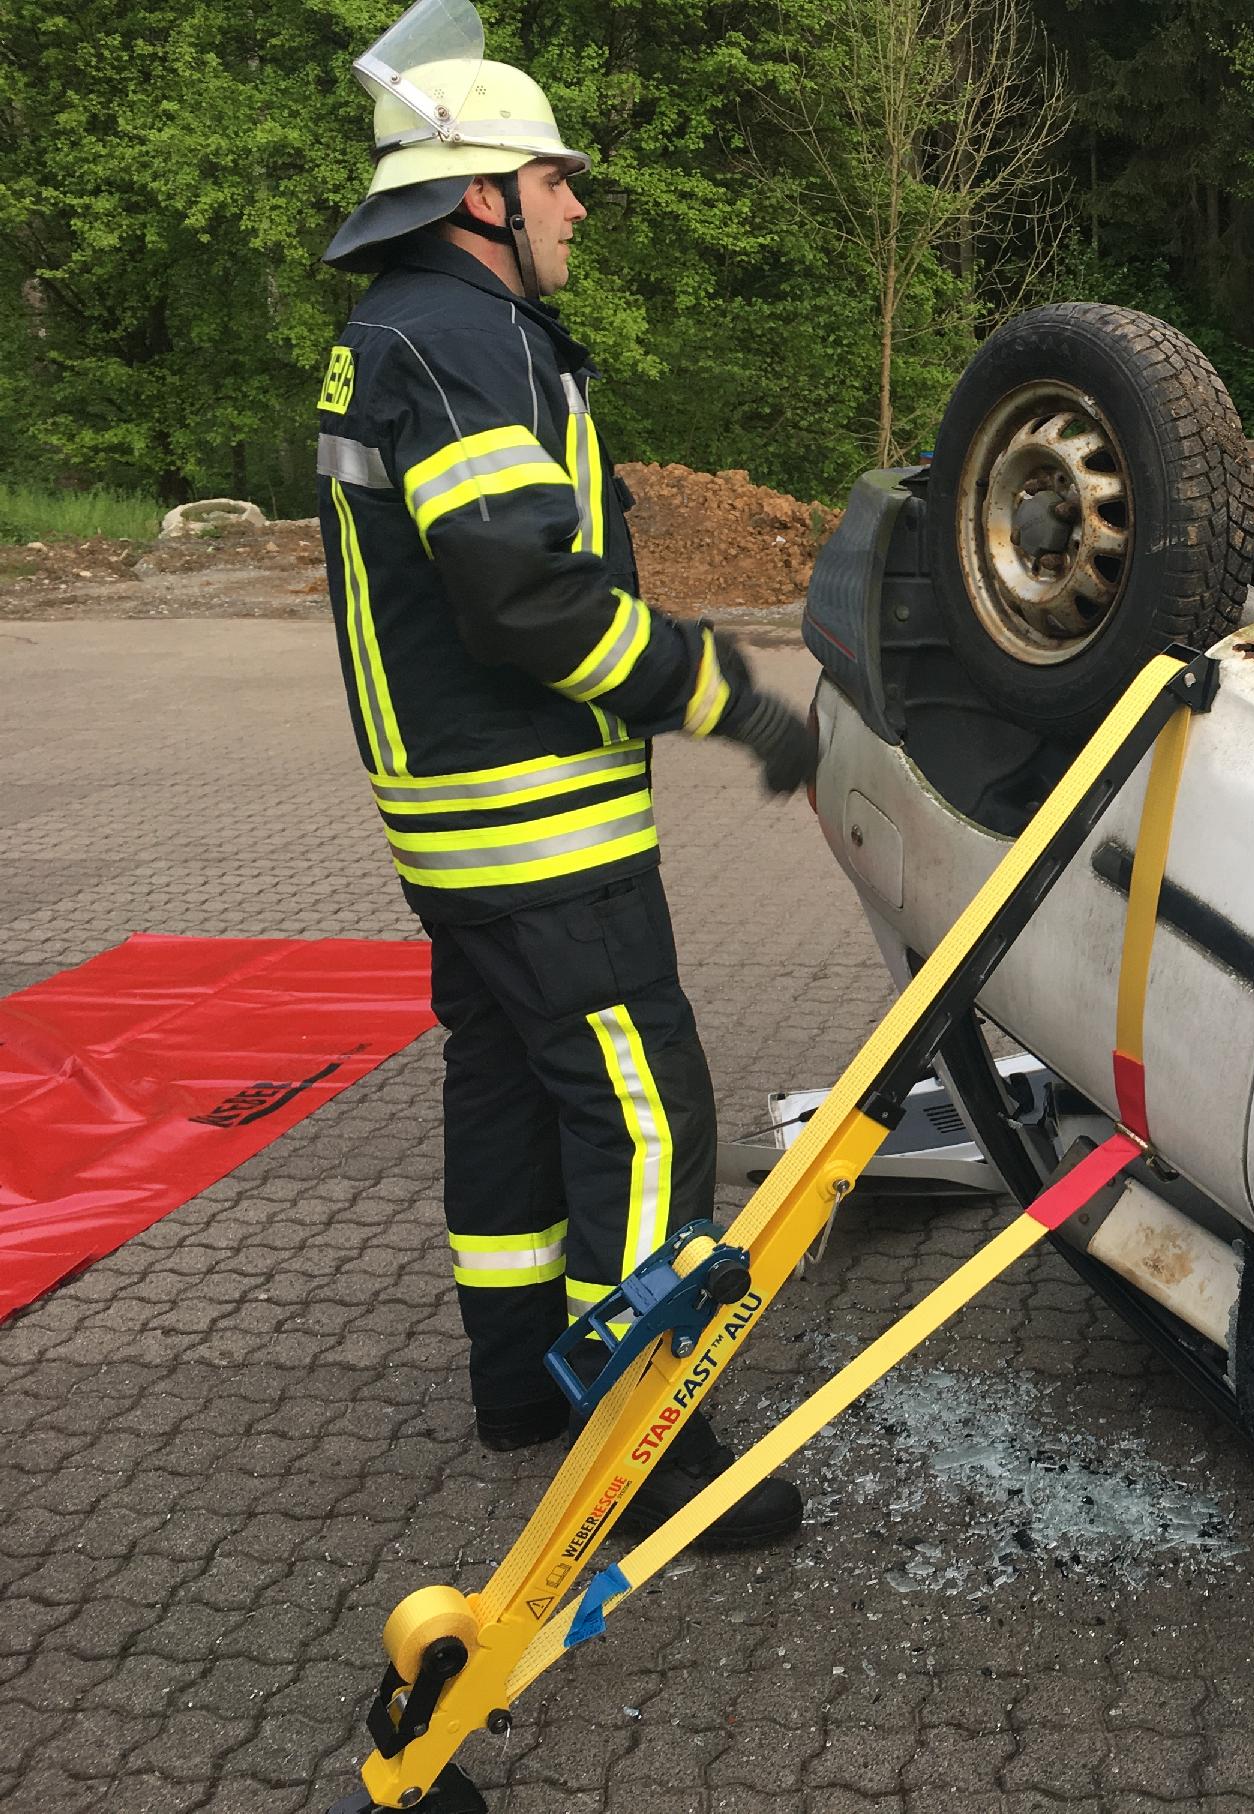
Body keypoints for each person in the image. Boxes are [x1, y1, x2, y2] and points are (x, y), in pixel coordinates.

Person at [312, 0, 810, 1549]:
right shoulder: (467, 345)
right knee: (647, 1111)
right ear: (484, 196)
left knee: (510, 1085)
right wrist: (728, 695)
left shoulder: (389, 336)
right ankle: (652, 1447)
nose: (577, 203)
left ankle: (521, 1378)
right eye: (556, 179)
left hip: (450, 828)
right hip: (537, 830)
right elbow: (522, 597)